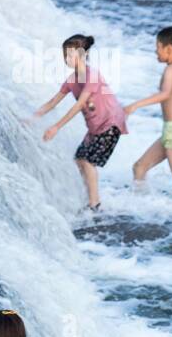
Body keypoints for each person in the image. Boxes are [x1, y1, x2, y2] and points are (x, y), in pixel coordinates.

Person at [31, 35, 129, 212]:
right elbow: (53, 102)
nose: (66, 59)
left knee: (87, 161)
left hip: (110, 123)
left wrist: (56, 127)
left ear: (83, 55)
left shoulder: (92, 76)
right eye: (65, 55)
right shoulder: (71, 80)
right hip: (94, 128)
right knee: (79, 159)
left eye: (71, 55)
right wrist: (31, 118)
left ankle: (94, 205)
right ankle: (90, 198)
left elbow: (79, 105)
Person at [124, 26, 172, 198]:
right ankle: (141, 204)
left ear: (168, 48)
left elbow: (165, 94)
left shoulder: (171, 70)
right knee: (139, 167)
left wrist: (135, 105)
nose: (156, 52)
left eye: (158, 47)